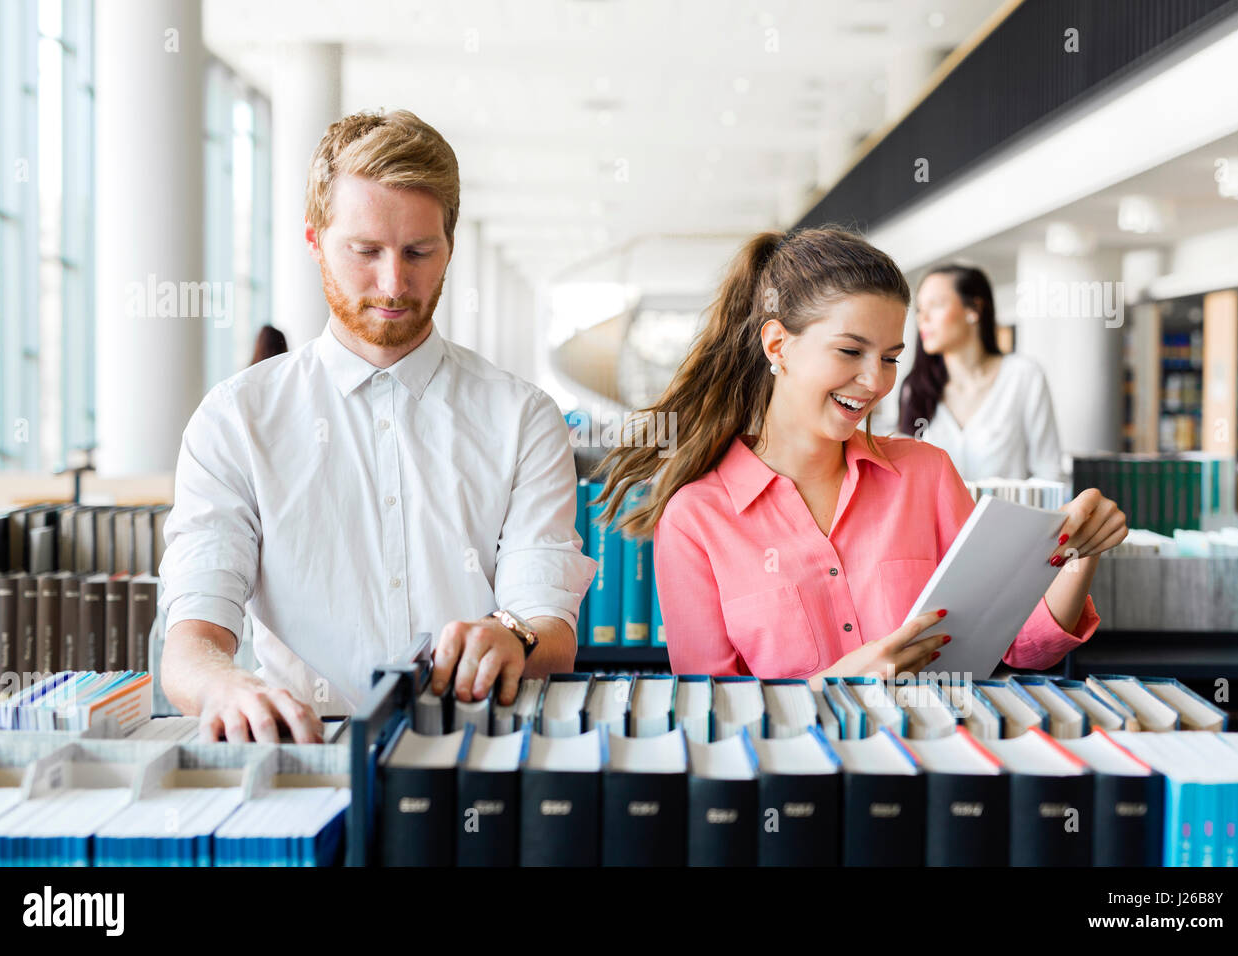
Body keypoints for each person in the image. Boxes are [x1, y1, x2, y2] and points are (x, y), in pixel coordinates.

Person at [159, 110, 596, 743]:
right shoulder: (235, 419)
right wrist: (224, 683)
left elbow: (549, 631)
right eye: (365, 251)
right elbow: (191, 640)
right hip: (299, 753)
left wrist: (512, 637)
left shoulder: (523, 417)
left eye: (419, 252)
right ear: (315, 242)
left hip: (475, 749)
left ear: (449, 245)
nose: (394, 283)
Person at [593, 227, 1126, 682]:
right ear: (777, 345)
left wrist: (1080, 554)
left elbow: (1023, 644)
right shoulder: (696, 519)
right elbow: (708, 712)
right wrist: (836, 686)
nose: (875, 382)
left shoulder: (926, 474)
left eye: (890, 357)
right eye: (850, 351)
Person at [899, 264, 1063, 481]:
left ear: (973, 310)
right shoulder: (915, 387)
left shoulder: (1023, 376)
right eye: (920, 309)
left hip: (1007, 515)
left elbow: (1049, 472)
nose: (923, 318)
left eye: (936, 305)